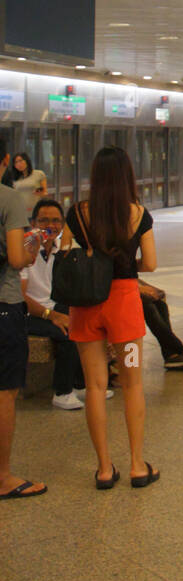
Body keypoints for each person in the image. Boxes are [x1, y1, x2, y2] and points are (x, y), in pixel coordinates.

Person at [62, 146, 159, 490]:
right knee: (132, 382)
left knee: (95, 386)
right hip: (124, 308)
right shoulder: (139, 214)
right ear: (127, 176)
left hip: (87, 307)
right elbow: (150, 263)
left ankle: (104, 469)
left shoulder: (77, 213)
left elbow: (65, 253)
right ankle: (136, 464)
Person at [0, 137, 44, 499]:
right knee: (4, 393)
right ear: (3, 161)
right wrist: (31, 249)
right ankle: (3, 478)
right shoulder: (8, 198)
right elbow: (16, 258)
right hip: (3, 305)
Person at [21, 198, 90, 411]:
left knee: (84, 321)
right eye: (43, 221)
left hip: (50, 305)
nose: (50, 226)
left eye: (55, 221)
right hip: (25, 312)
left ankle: (80, 383)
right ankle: (62, 392)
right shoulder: (24, 250)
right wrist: (51, 315)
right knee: (67, 333)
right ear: (33, 223)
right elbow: (20, 297)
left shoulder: (62, 248)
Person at [137, 278, 183, 371]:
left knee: (160, 305)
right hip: (118, 289)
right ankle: (182, 350)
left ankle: (171, 355)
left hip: (125, 285)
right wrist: (137, 289)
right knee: (147, 306)